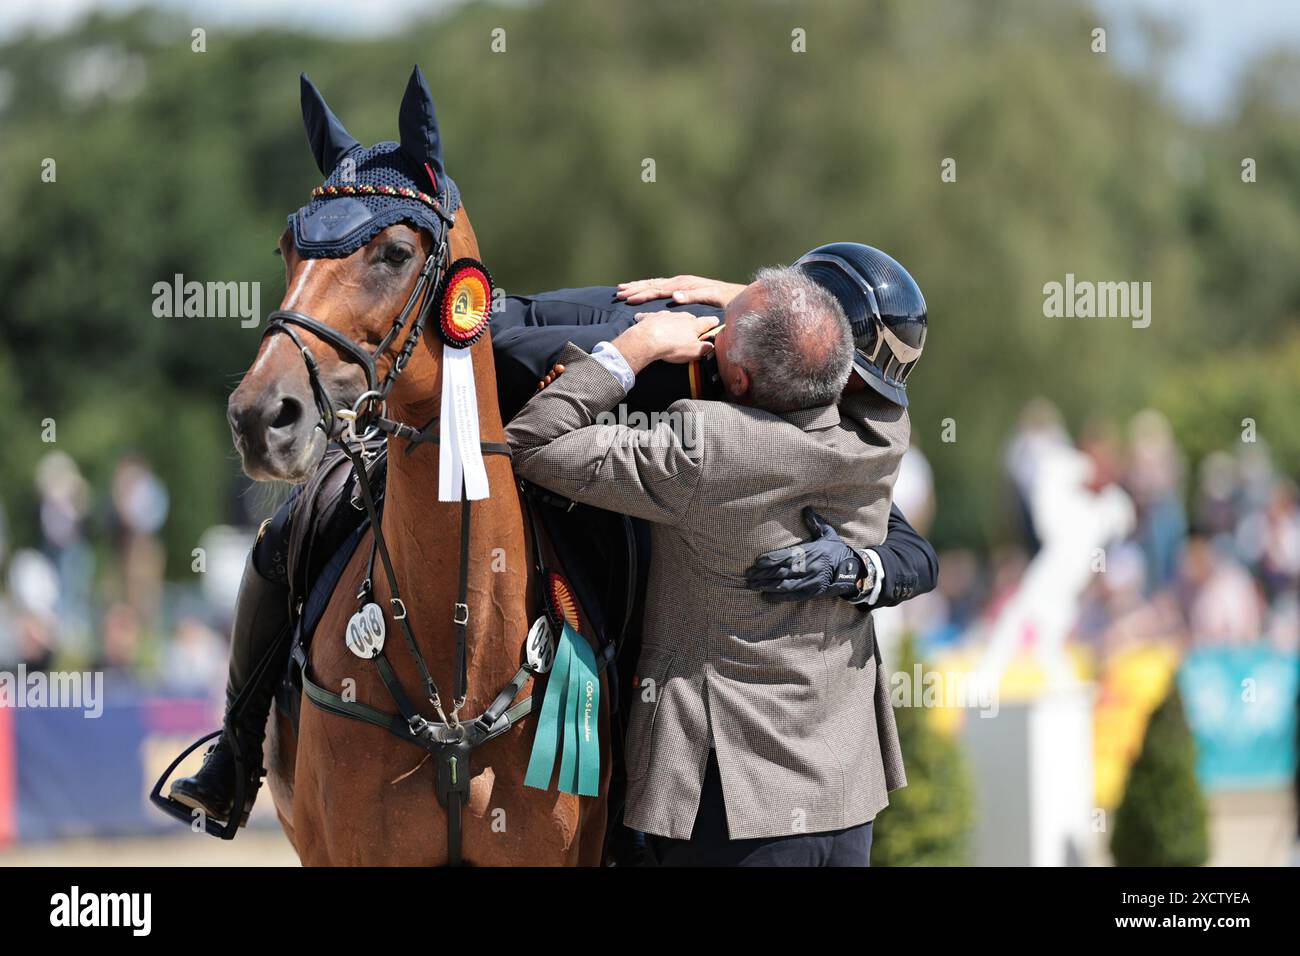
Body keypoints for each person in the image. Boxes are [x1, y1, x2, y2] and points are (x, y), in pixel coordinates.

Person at [170, 245, 937, 835]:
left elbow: (905, 545)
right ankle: (236, 750)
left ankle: (626, 809)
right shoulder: (707, 332)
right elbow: (514, 320)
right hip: (505, 432)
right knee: (287, 536)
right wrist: (640, 340)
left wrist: (863, 565)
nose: (848, 399)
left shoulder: (812, 425)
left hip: (611, 486)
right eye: (854, 378)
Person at [507, 260, 919, 865]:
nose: (709, 327)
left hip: (740, 814)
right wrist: (779, 311)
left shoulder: (704, 451)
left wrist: (635, 348)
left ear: (739, 382)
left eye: (720, 332)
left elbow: (530, 443)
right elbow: (850, 364)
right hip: (844, 801)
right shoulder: (883, 432)